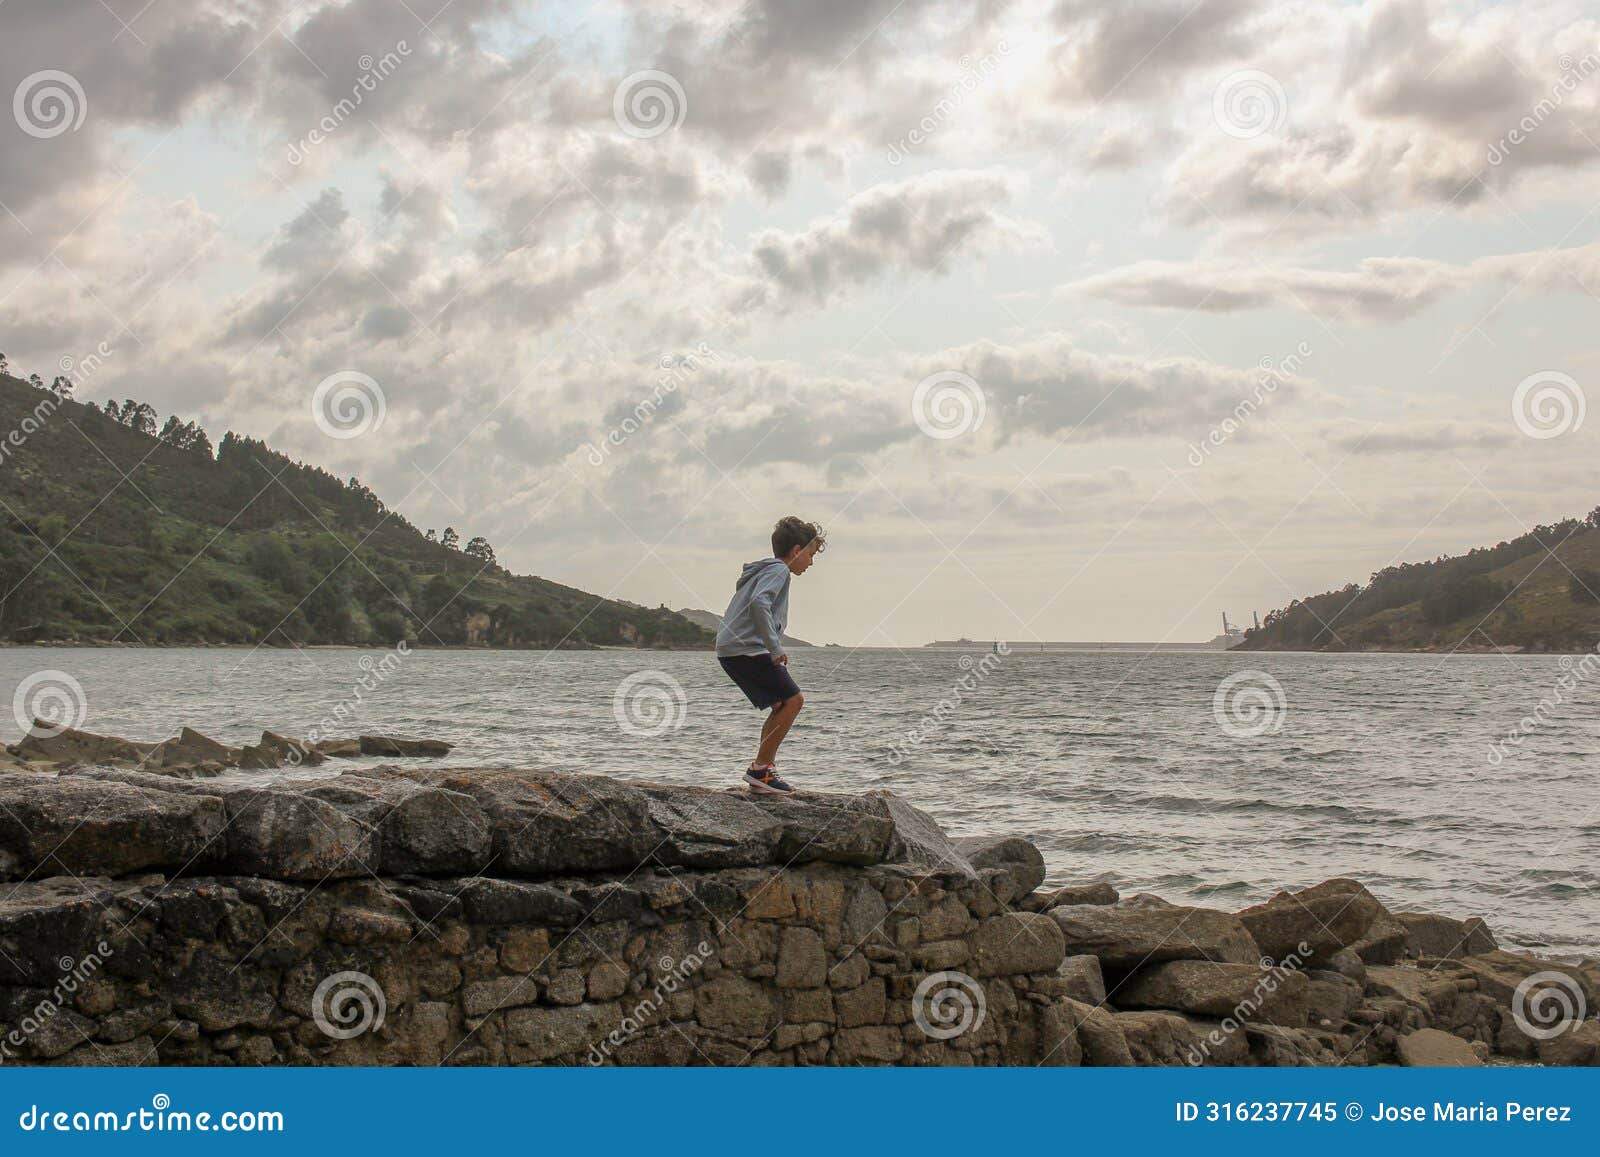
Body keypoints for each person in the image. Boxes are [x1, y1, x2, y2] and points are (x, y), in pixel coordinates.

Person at [715, 516, 825, 795]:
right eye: (810, 555)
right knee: (794, 701)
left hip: (732, 649)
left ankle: (764, 769)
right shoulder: (778, 570)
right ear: (797, 550)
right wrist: (774, 647)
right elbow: (759, 602)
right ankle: (761, 769)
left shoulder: (764, 569)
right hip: (747, 648)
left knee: (780, 705)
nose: (811, 563)